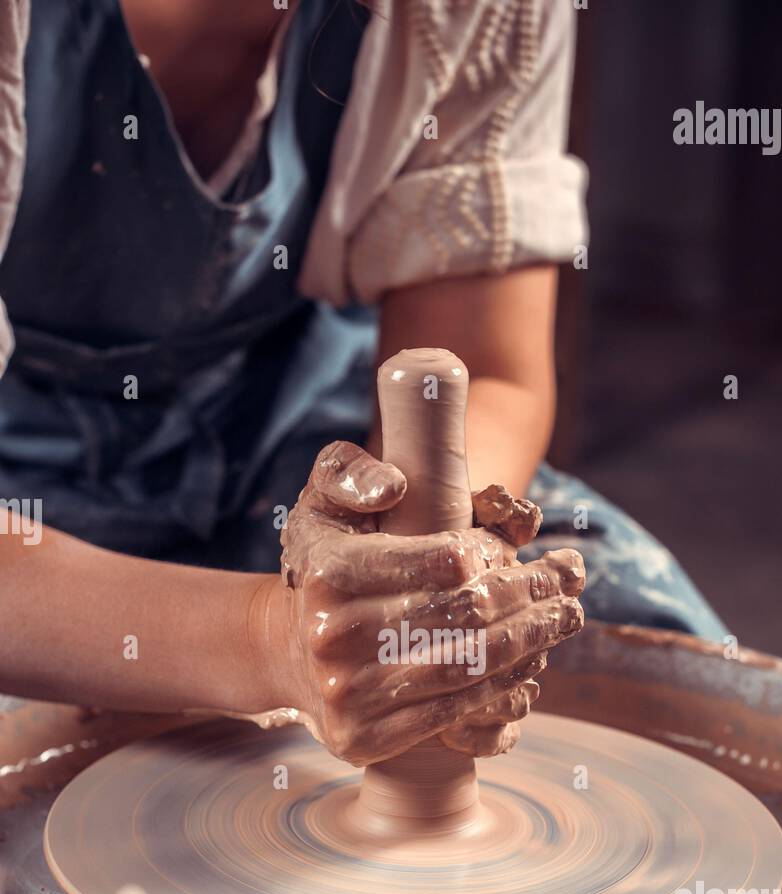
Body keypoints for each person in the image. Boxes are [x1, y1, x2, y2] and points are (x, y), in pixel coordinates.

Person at [0, 0, 724, 765]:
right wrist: (271, 642)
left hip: (303, 444)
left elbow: (480, 362)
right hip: (25, 507)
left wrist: (419, 576)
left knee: (660, 661)